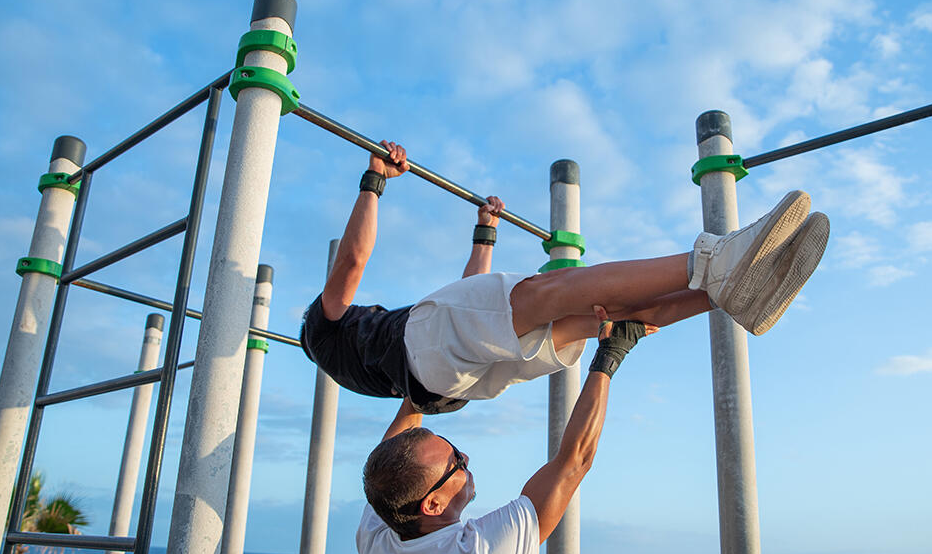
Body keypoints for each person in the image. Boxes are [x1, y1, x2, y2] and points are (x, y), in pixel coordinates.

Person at [300, 142, 829, 413]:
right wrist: (374, 179)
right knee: (556, 288)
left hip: (452, 388)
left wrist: (484, 234)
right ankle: (716, 262)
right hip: (426, 352)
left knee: (604, 315)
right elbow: (350, 264)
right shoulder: (325, 330)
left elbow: (474, 306)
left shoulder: (356, 366)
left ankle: (729, 296)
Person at [357, 305, 651, 554]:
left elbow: (395, 453)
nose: (465, 456)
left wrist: (418, 394)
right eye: (456, 465)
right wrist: (611, 354)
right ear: (432, 504)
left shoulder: (379, 530)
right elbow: (573, 462)